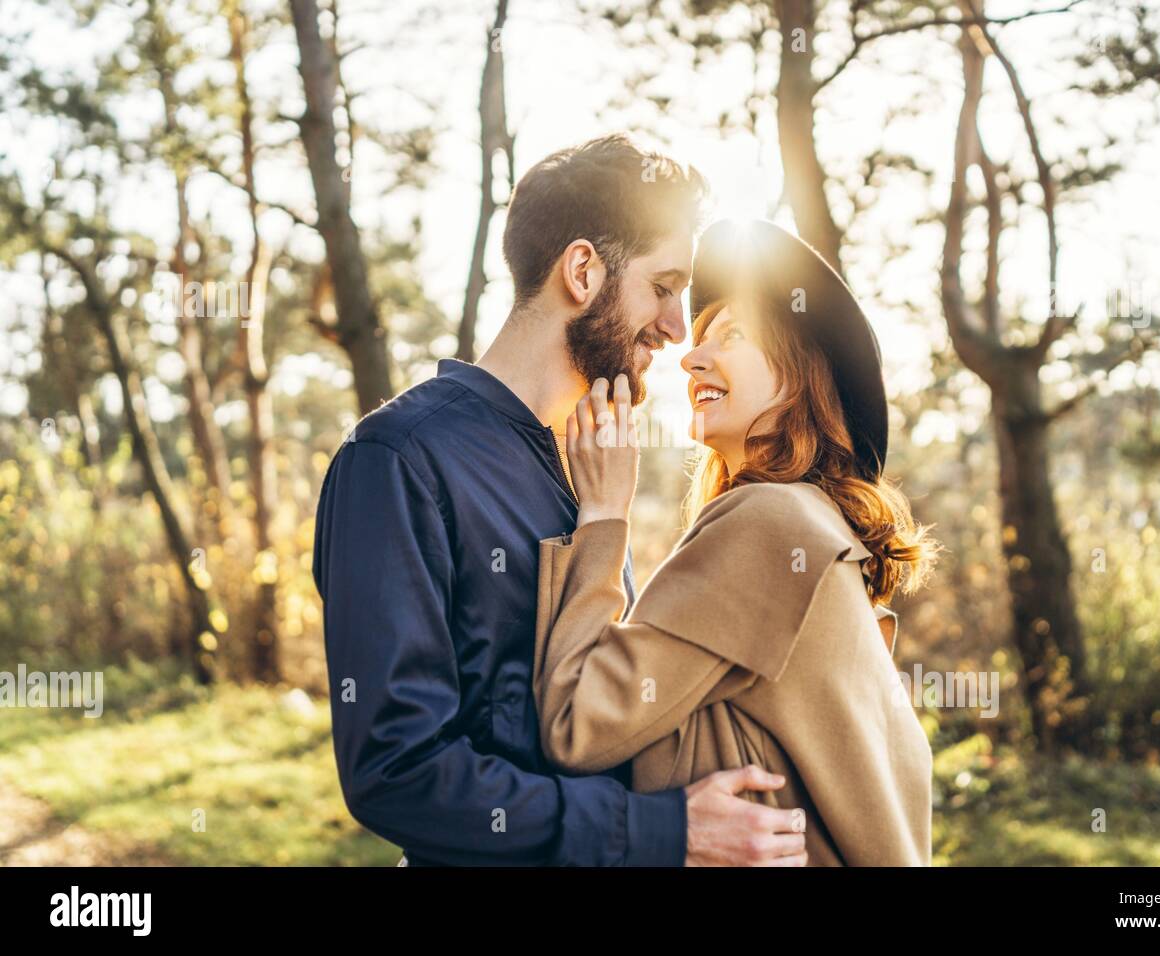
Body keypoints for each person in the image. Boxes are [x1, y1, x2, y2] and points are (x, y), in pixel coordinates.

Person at [313, 137, 806, 866]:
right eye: (664, 288)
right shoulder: (398, 459)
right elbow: (396, 769)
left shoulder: (593, 467)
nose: (676, 330)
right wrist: (663, 833)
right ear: (582, 270)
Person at [533, 218, 939, 866]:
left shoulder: (769, 524)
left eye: (735, 335)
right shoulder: (819, 531)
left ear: (803, 373)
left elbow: (576, 722)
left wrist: (604, 513)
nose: (691, 358)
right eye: (699, 340)